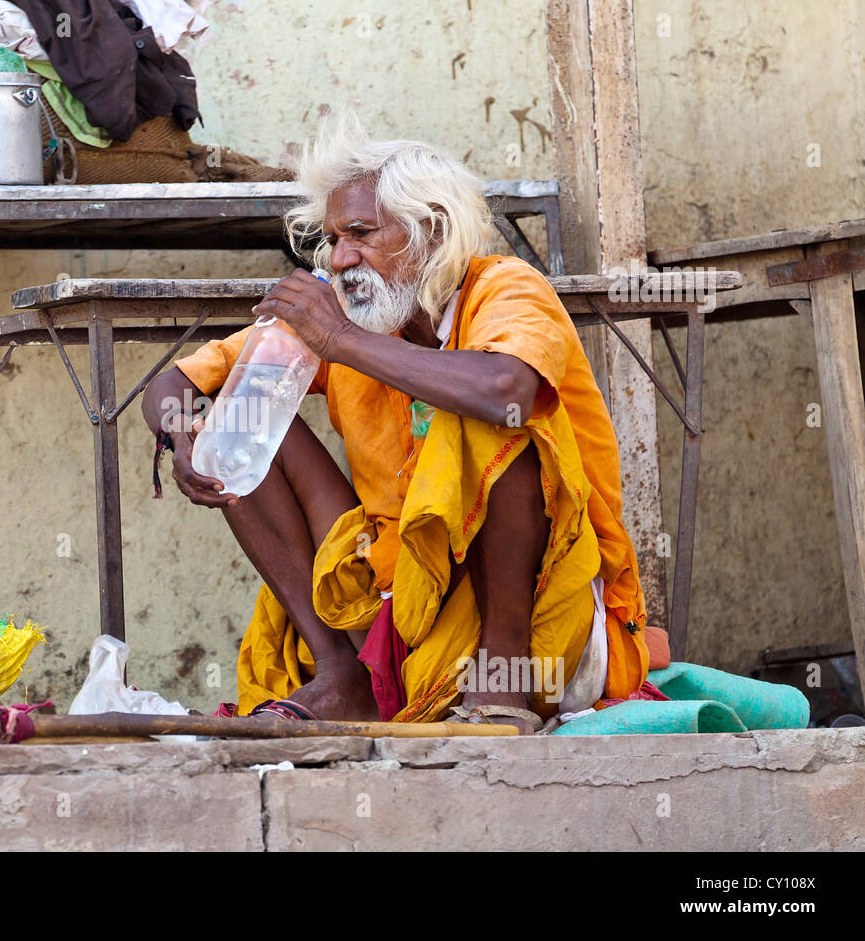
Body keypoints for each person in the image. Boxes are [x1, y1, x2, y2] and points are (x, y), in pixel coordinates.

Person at [140, 115, 649, 734]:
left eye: (360, 233)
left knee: (493, 410)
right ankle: (343, 673)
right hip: (391, 601)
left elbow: (507, 389)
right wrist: (183, 428)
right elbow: (180, 382)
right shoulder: (349, 317)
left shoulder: (505, 288)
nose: (341, 257)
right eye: (332, 239)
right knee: (238, 411)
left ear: (431, 229)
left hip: (537, 630)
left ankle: (502, 690)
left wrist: (340, 339)